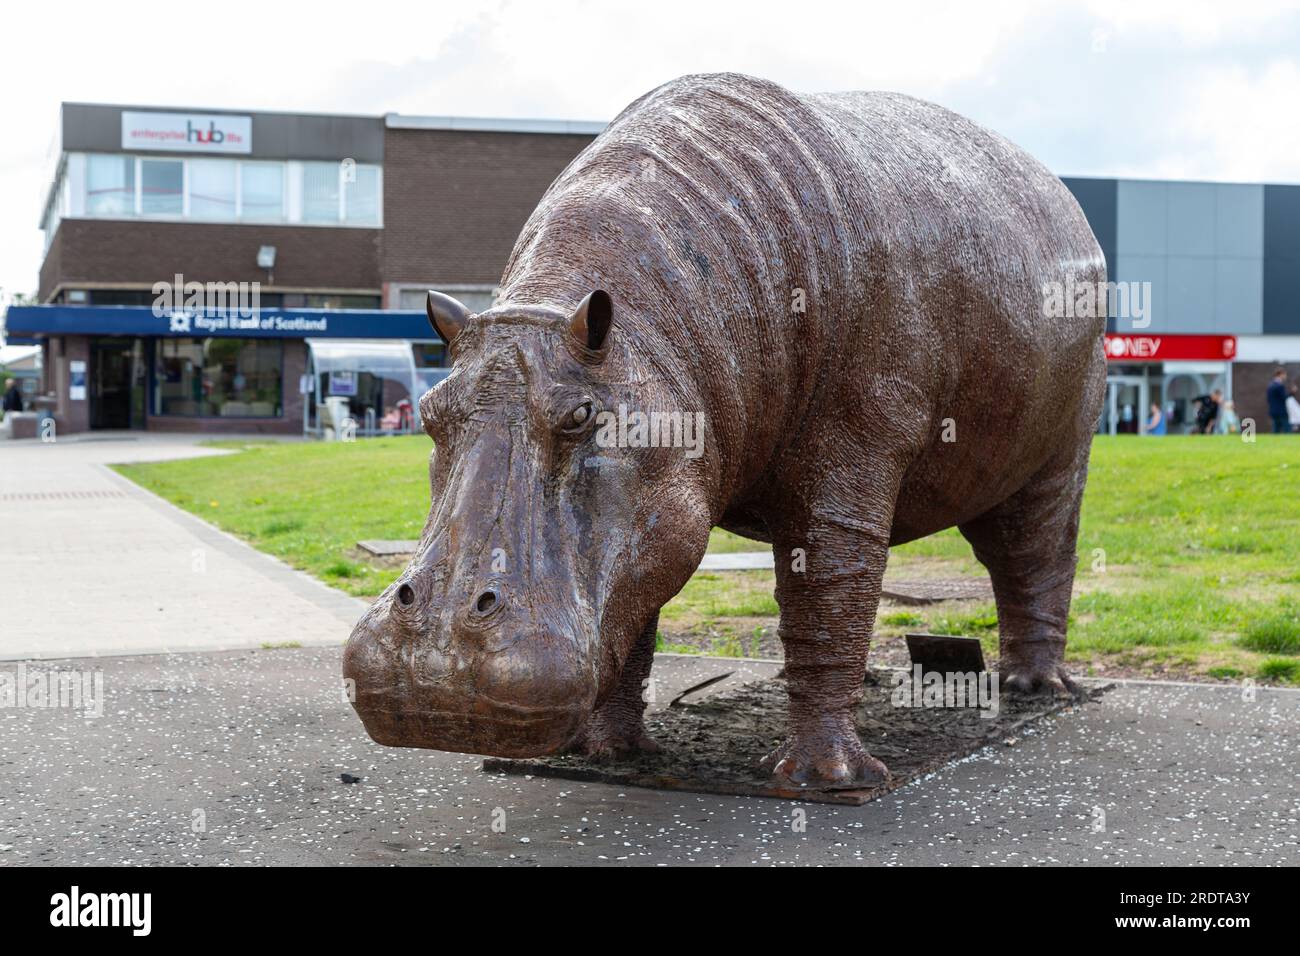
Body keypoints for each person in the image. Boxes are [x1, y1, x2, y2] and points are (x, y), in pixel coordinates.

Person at [1267, 368, 1289, 434]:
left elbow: (1268, 399)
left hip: (1273, 410)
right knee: (1287, 429)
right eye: (1285, 374)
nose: (1285, 376)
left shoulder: (1270, 385)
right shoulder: (1280, 386)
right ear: (1280, 374)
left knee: (1276, 429)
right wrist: (1292, 393)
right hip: (1281, 411)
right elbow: (1284, 397)